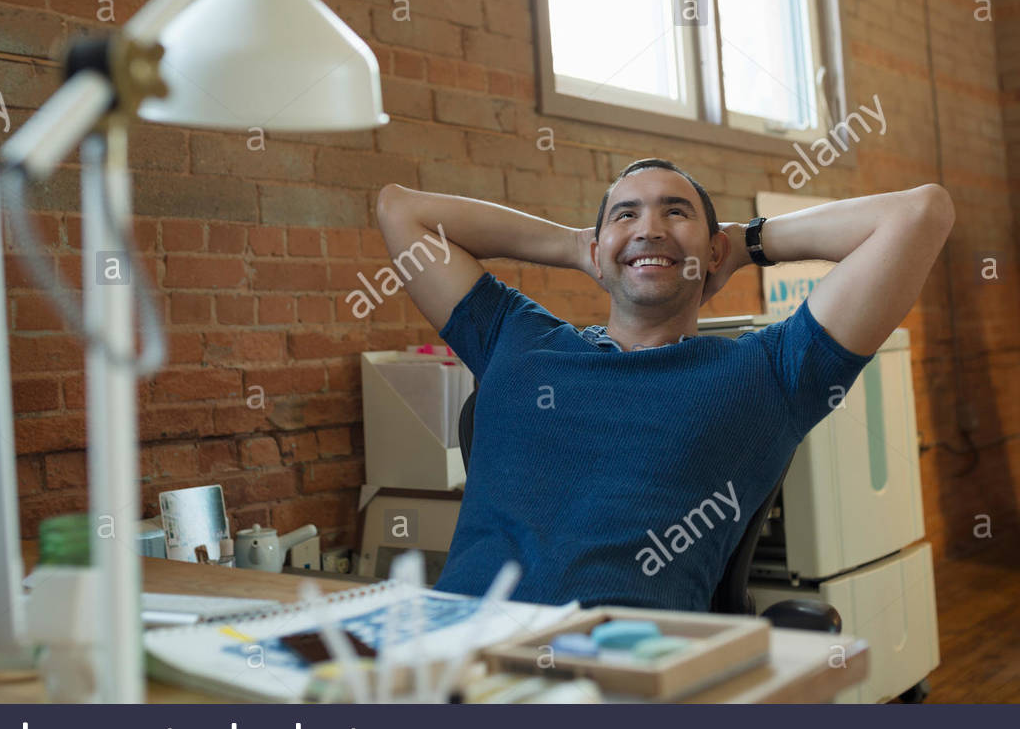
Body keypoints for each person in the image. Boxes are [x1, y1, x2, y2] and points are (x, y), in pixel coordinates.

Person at [375, 158, 954, 610]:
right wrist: (575, 246)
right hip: (452, 661)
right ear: (598, 251)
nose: (649, 228)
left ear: (714, 250)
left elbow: (920, 214)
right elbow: (400, 210)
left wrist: (750, 243)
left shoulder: (768, 373)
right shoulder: (514, 338)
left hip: (619, 677)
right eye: (625, 215)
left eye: (676, 213)